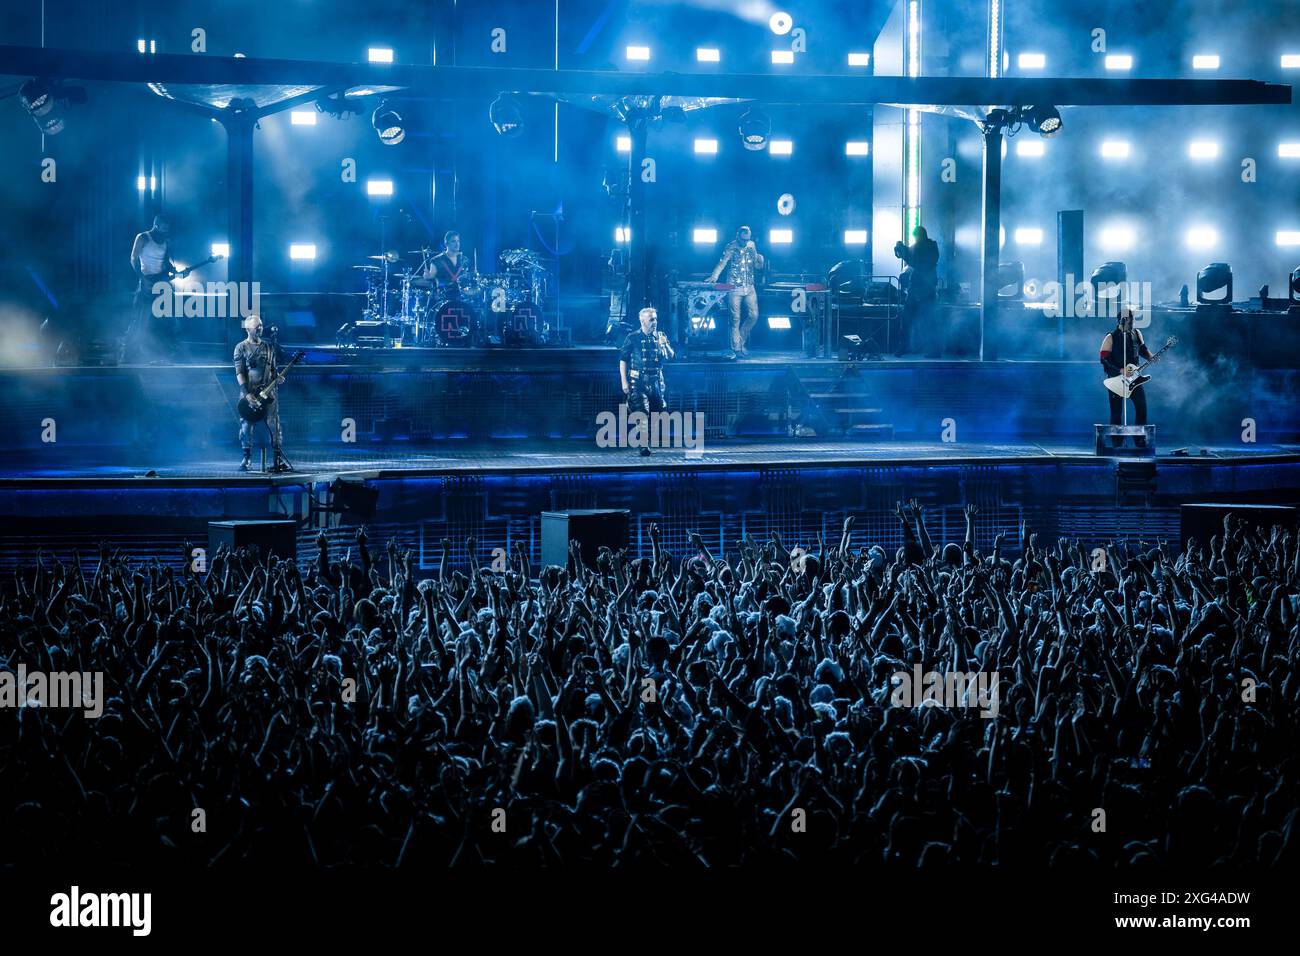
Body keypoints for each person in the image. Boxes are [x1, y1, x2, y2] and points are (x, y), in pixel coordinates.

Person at [234, 314, 292, 473]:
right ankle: (247, 458)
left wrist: (277, 378)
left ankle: (277, 459)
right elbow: (239, 373)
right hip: (249, 395)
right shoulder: (241, 347)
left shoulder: (269, 347)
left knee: (275, 425)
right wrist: (246, 393)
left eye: (260, 326)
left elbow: (273, 370)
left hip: (269, 395)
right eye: (256, 327)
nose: (260, 329)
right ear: (248, 329)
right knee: (246, 426)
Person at [619, 306, 674, 456]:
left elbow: (671, 356)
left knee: (658, 410)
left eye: (655, 319)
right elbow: (623, 361)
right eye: (651, 319)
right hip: (638, 381)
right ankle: (644, 445)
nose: (654, 322)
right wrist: (624, 382)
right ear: (642, 320)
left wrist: (665, 344)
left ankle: (645, 434)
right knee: (642, 413)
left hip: (656, 380)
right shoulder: (632, 337)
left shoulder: (660, 336)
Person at [122, 214, 178, 362]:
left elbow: (166, 262)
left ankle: (164, 354)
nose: (166, 230)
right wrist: (143, 279)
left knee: (166, 318)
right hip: (147, 281)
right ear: (156, 225)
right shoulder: (143, 237)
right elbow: (133, 259)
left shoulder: (166, 240)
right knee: (140, 319)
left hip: (162, 282)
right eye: (164, 227)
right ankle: (128, 354)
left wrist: (177, 272)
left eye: (168, 228)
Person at [707, 225, 765, 360]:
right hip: (734, 287)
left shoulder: (752, 245)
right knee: (735, 319)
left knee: (754, 315)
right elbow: (722, 263)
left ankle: (740, 340)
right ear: (737, 236)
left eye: (747, 239)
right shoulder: (730, 247)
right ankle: (737, 348)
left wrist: (760, 261)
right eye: (743, 239)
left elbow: (756, 264)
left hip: (749, 286)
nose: (745, 242)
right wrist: (714, 276)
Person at [1100, 308, 1157, 435]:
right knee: (1116, 412)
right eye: (1129, 322)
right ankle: (1117, 442)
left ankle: (1140, 439)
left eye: (1132, 321)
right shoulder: (1111, 337)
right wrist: (1120, 370)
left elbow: (1143, 349)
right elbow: (1104, 359)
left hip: (1135, 379)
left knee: (1142, 408)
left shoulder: (1137, 333)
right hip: (1116, 379)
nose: (1131, 324)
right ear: (1121, 321)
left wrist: (1150, 357)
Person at [894, 225, 939, 356]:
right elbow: (911, 255)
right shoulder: (927, 247)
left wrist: (903, 251)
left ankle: (932, 349)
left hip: (924, 288)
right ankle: (910, 347)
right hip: (919, 288)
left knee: (926, 320)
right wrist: (902, 249)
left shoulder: (930, 247)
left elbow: (917, 261)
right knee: (911, 320)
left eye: (916, 237)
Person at [424, 230, 468, 298]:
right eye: (453, 241)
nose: (457, 244)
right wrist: (428, 277)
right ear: (446, 244)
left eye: (458, 241)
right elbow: (432, 279)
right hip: (444, 297)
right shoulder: (436, 260)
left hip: (462, 297)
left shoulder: (464, 259)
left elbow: (467, 278)